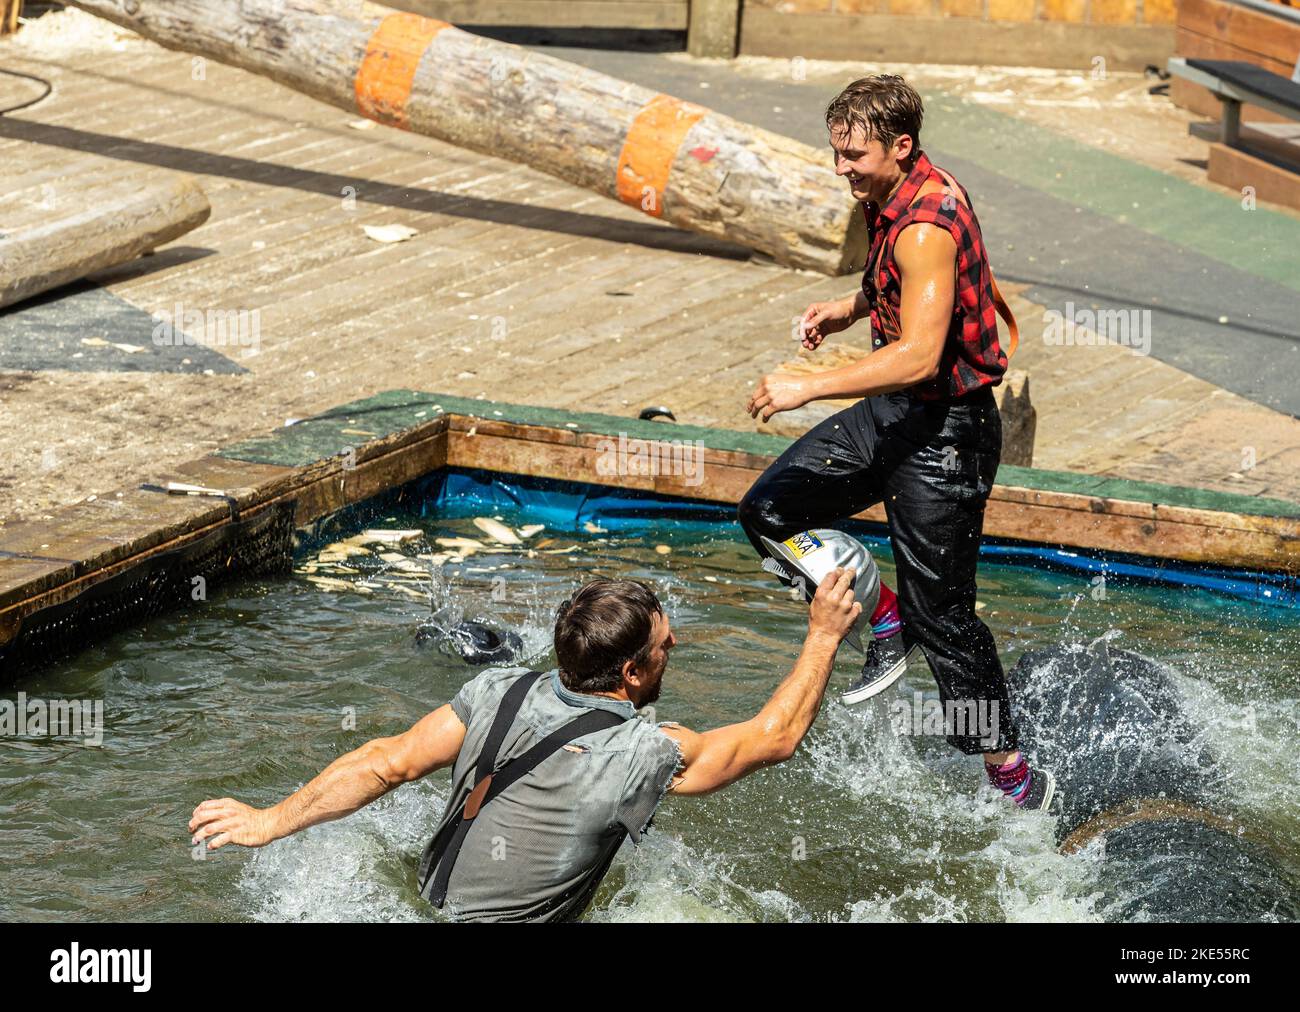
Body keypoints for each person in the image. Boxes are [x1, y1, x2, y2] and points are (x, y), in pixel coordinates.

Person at [188, 571, 862, 922]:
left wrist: (268, 821)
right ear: (631, 672)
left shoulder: (497, 689)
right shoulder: (644, 754)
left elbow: (382, 761)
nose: (675, 647)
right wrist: (824, 635)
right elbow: (776, 739)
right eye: (663, 645)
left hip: (426, 906)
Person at [739, 74, 1054, 810]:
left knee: (944, 617)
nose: (841, 168)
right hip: (893, 413)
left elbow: (918, 353)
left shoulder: (923, 224)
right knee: (768, 511)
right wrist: (850, 307)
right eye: (836, 153)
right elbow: (902, 297)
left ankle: (1015, 782)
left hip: (947, 434)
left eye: (854, 156)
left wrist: (807, 384)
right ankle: (882, 618)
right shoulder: (891, 197)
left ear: (901, 145)